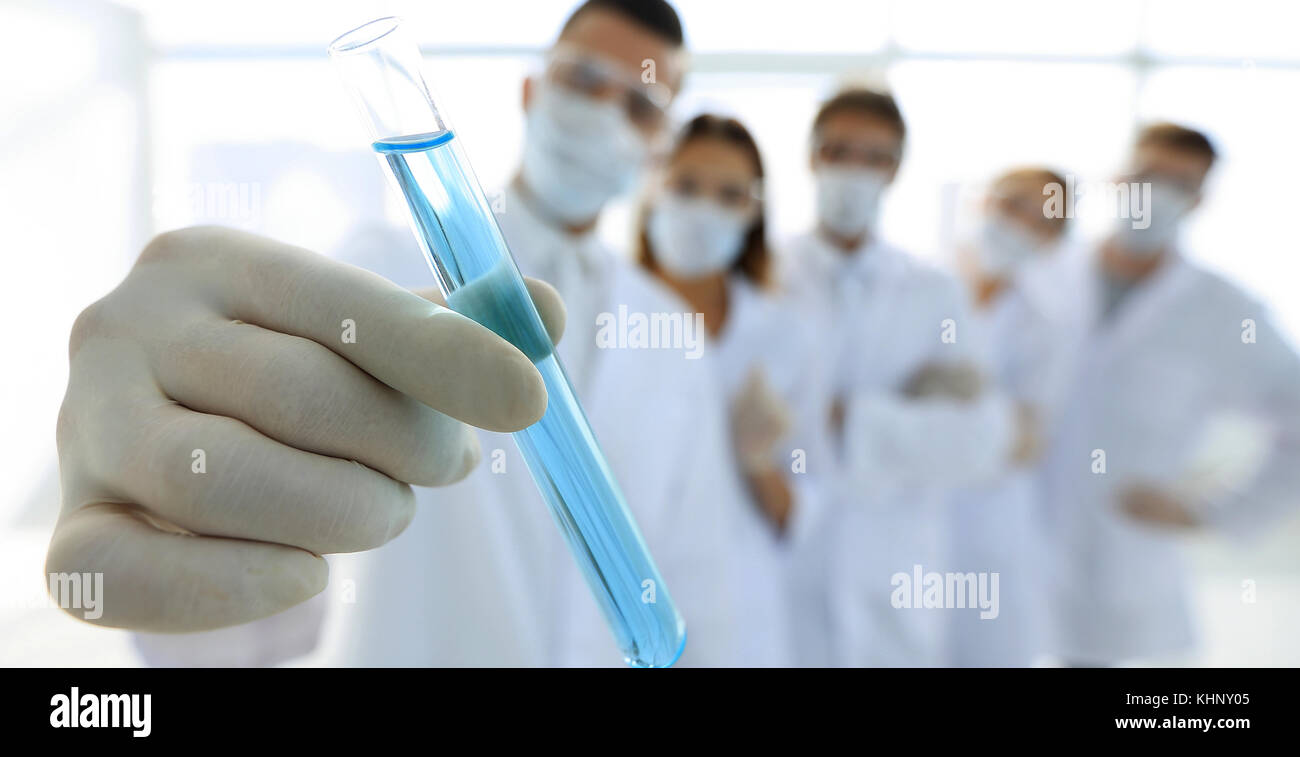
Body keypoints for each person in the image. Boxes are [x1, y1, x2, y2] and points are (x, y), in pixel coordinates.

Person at [52, 0, 749, 667]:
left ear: (661, 138)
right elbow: (246, 614)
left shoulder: (667, 337)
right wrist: (174, 487)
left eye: (641, 103)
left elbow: (707, 586)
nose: (606, 113)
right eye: (586, 79)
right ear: (533, 90)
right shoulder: (379, 266)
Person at [1040, 123, 1300, 666]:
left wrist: (1214, 513)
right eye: (1145, 175)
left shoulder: (1224, 311)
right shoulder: (1040, 278)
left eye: (1178, 183)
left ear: (1200, 200)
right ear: (1117, 179)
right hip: (1007, 558)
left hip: (1121, 571)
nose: (1154, 195)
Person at [784, 88, 1020, 666]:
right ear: (812, 157)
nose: (853, 170)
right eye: (838, 151)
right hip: (782, 574)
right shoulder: (764, 274)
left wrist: (851, 421)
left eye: (873, 156)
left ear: (895, 168)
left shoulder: (935, 291)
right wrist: (904, 424)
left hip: (894, 578)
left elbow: (982, 444)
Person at [633, 114, 835, 666]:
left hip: (742, 612)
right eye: (687, 185)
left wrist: (759, 461)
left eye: (730, 194)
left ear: (754, 212)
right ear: (653, 188)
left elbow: (806, 509)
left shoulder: (784, 333)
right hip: (627, 595)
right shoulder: (609, 318)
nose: (704, 209)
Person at [943, 167, 1078, 666]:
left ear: (1055, 240)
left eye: (1041, 220)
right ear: (982, 203)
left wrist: (948, 420)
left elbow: (1025, 443)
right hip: (903, 515)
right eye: (1012, 205)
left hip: (989, 526)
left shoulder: (1046, 322)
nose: (1021, 224)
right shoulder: (919, 284)